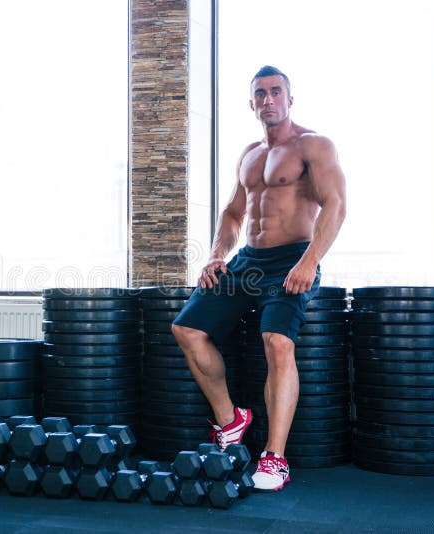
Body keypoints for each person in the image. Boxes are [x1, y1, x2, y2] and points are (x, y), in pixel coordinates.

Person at [171, 65, 346, 492]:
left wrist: (308, 262)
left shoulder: (314, 145)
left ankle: (274, 458)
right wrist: (216, 255)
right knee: (187, 329)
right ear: (252, 104)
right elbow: (233, 213)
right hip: (248, 260)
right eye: (260, 94)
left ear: (289, 97)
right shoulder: (249, 154)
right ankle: (231, 421)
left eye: (276, 91)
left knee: (277, 342)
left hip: (291, 259)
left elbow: (336, 205)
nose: (268, 99)